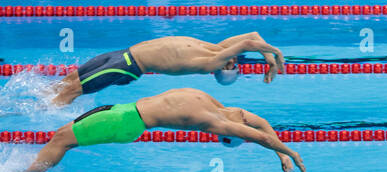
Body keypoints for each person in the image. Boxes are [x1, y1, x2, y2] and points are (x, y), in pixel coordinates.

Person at [23, 88, 305, 172]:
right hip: (123, 114)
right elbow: (262, 129)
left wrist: (284, 153)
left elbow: (262, 131)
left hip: (125, 120)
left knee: (61, 141)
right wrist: (286, 154)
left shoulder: (215, 112)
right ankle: (27, 171)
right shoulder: (225, 115)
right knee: (62, 137)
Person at [49, 33, 285, 107]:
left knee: (70, 93)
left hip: (127, 67)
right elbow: (253, 36)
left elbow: (249, 44)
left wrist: (277, 58)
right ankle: (38, 99)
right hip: (121, 53)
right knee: (68, 81)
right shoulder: (217, 49)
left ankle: (31, 114)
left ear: (224, 68)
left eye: (234, 65)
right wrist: (268, 59)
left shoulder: (211, 61)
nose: (236, 60)